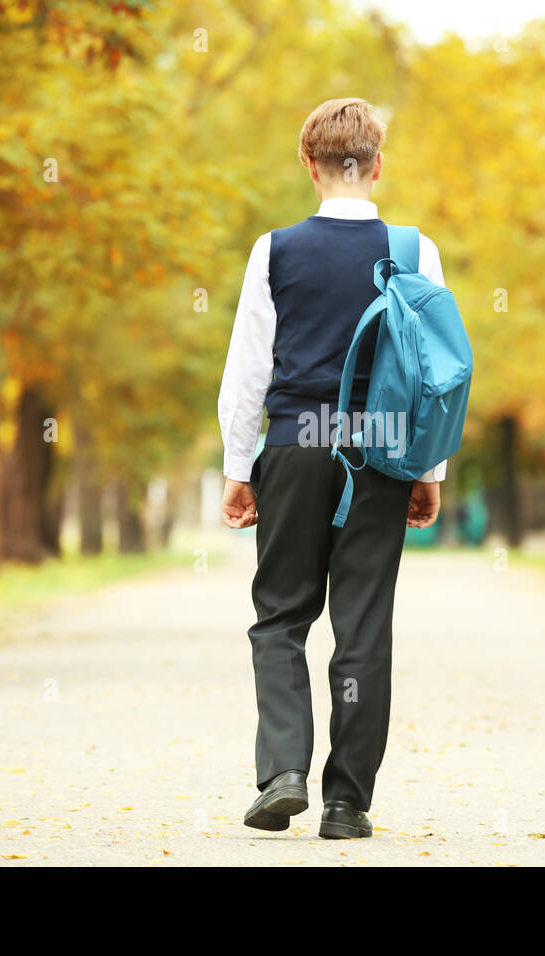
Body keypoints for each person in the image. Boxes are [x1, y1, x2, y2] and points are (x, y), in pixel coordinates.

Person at [217, 97, 447, 839]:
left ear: (308, 167)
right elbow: (438, 372)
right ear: (377, 166)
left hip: (293, 442)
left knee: (281, 615)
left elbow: (248, 369)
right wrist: (428, 470)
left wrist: (237, 463)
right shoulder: (415, 250)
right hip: (379, 449)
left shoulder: (274, 250)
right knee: (363, 626)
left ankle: (283, 769)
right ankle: (347, 805)